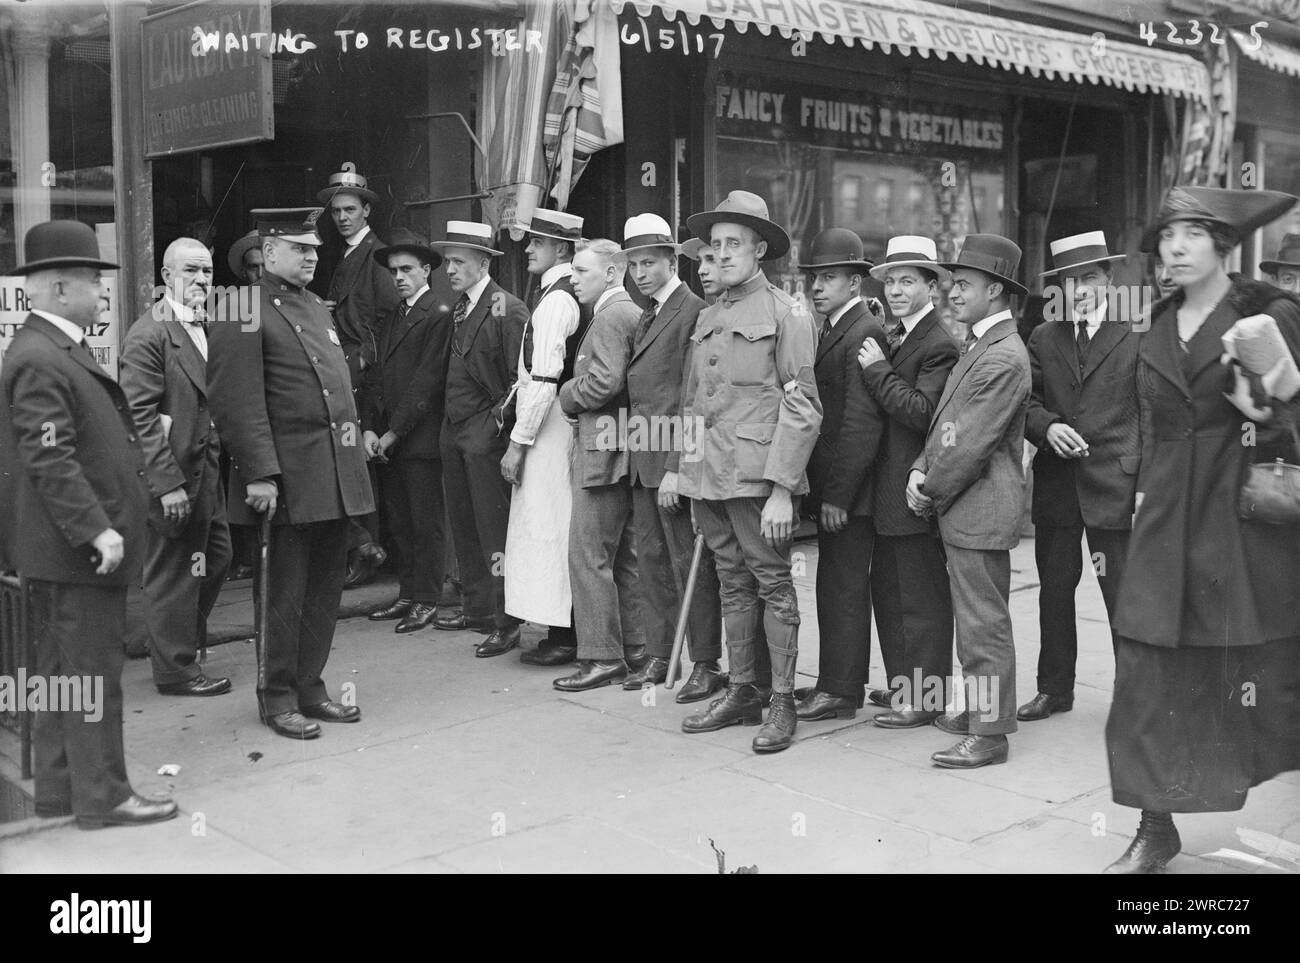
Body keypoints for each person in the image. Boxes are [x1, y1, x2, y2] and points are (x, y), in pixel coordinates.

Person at [1105, 186, 1300, 874]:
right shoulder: (1154, 323)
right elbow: (1148, 427)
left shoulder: (1268, 315)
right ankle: (1154, 826)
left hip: (1244, 531)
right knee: (1145, 674)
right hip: (1165, 527)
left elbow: (1289, 419)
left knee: (1267, 678)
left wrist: (1265, 411)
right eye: (1167, 235)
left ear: (1223, 244)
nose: (1176, 247)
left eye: (1193, 233)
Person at [0, 220, 178, 827]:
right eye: (93, 282)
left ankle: (59, 790)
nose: (103, 294)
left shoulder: (47, 349)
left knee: (56, 676)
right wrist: (97, 530)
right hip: (76, 553)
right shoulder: (41, 356)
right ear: (55, 288)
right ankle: (104, 797)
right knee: (94, 678)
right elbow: (50, 455)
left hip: (58, 554)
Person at [207, 207, 373, 739]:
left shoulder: (316, 309)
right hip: (284, 479)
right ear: (268, 249)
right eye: (300, 248)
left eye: (315, 250)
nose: (310, 257)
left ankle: (309, 685)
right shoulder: (240, 308)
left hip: (332, 474)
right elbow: (237, 401)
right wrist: (258, 472)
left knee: (323, 590)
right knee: (282, 591)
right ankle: (276, 696)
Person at [677, 191, 822, 754]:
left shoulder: (787, 314)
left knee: (773, 586)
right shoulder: (709, 314)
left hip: (758, 479)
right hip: (709, 478)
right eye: (715, 246)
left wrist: (784, 488)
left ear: (760, 250)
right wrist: (685, 476)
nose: (722, 254)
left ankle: (782, 699)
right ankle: (743, 691)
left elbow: (802, 405)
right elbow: (695, 402)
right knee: (732, 582)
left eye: (734, 244)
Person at [908, 234, 1030, 769]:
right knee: (974, 617)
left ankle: (990, 733)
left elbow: (971, 443)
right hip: (966, 504)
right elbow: (946, 428)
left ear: (996, 290)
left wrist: (927, 490)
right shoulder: (981, 343)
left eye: (963, 284)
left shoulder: (1002, 354)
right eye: (953, 283)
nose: (952, 293)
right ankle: (979, 713)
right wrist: (919, 467)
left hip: (976, 505)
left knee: (984, 623)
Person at [1019, 231, 1140, 722]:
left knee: (1123, 596)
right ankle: (1054, 690)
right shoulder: (1044, 336)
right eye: (1070, 281)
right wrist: (1049, 428)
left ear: (1108, 279)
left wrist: (1145, 488)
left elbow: (1155, 414)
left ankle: (1135, 698)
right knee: (1054, 589)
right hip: (1058, 488)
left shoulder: (1139, 332)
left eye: (1089, 277)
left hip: (1116, 486)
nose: (1080, 288)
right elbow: (1024, 403)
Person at [119, 237, 232, 697]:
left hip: (206, 473)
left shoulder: (206, 325)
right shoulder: (150, 333)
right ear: (166, 277)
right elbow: (138, 417)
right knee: (173, 573)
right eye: (190, 271)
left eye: (206, 272)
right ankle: (175, 671)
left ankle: (177, 643)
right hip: (172, 477)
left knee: (218, 557)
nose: (201, 280)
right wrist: (166, 486)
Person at [620, 214, 724, 696]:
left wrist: (676, 470)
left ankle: (705, 661)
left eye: (648, 262)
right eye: (633, 264)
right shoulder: (650, 312)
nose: (639, 273)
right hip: (644, 456)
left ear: (670, 261)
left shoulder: (693, 310)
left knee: (690, 566)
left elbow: (693, 396)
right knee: (652, 562)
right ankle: (663, 657)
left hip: (672, 464)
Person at [856, 236, 957, 728]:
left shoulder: (938, 342)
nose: (895, 289)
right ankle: (904, 687)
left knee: (920, 599)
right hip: (886, 489)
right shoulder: (898, 333)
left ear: (931, 287)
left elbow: (922, 413)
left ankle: (926, 697)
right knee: (890, 592)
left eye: (907, 281)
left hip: (913, 491)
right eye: (890, 281)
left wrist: (876, 370)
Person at [793, 228, 886, 721]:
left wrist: (838, 496)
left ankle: (842, 690)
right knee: (833, 586)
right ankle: (833, 683)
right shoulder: (835, 327)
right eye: (815, 278)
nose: (818, 287)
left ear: (855, 282)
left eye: (829, 278)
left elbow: (860, 423)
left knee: (844, 589)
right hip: (836, 489)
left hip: (850, 494)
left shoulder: (862, 330)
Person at [429, 221, 528, 656]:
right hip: (454, 435)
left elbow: (518, 381)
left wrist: (492, 431)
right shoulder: (460, 307)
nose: (449, 269)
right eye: (447, 261)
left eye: (458, 261)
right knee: (465, 526)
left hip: (485, 438)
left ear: (483, 263)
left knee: (494, 531)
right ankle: (478, 609)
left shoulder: (507, 307)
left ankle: (506, 622)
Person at [552, 240, 646, 690]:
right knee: (620, 557)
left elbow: (605, 381)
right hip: (622, 448)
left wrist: (566, 394)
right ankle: (635, 650)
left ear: (612, 273)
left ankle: (601, 657)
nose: (573, 278)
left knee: (588, 556)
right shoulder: (628, 312)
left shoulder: (610, 317)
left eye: (582, 271)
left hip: (602, 451)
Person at [501, 209, 588, 666]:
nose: (529, 249)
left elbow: (544, 376)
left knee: (552, 524)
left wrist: (519, 442)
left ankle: (565, 634)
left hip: (550, 426)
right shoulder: (556, 293)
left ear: (562, 250)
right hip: (550, 422)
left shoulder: (556, 299)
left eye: (537, 243)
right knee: (551, 523)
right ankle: (560, 629)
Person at [362, 230, 452, 633]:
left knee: (424, 522)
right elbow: (376, 378)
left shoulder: (438, 313)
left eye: (406, 270)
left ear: (427, 270)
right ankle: (408, 593)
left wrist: (393, 433)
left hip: (419, 439)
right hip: (389, 441)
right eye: (393, 271)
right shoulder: (393, 317)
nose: (398, 277)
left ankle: (428, 598)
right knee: (400, 521)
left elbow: (427, 382)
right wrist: (369, 428)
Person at [317, 166, 398, 587]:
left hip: (362, 377)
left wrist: (362, 360)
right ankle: (364, 547)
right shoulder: (345, 255)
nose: (343, 217)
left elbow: (387, 321)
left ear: (367, 210)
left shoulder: (376, 257)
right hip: (347, 367)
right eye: (336, 212)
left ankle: (367, 550)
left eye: (350, 209)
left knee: (359, 462)